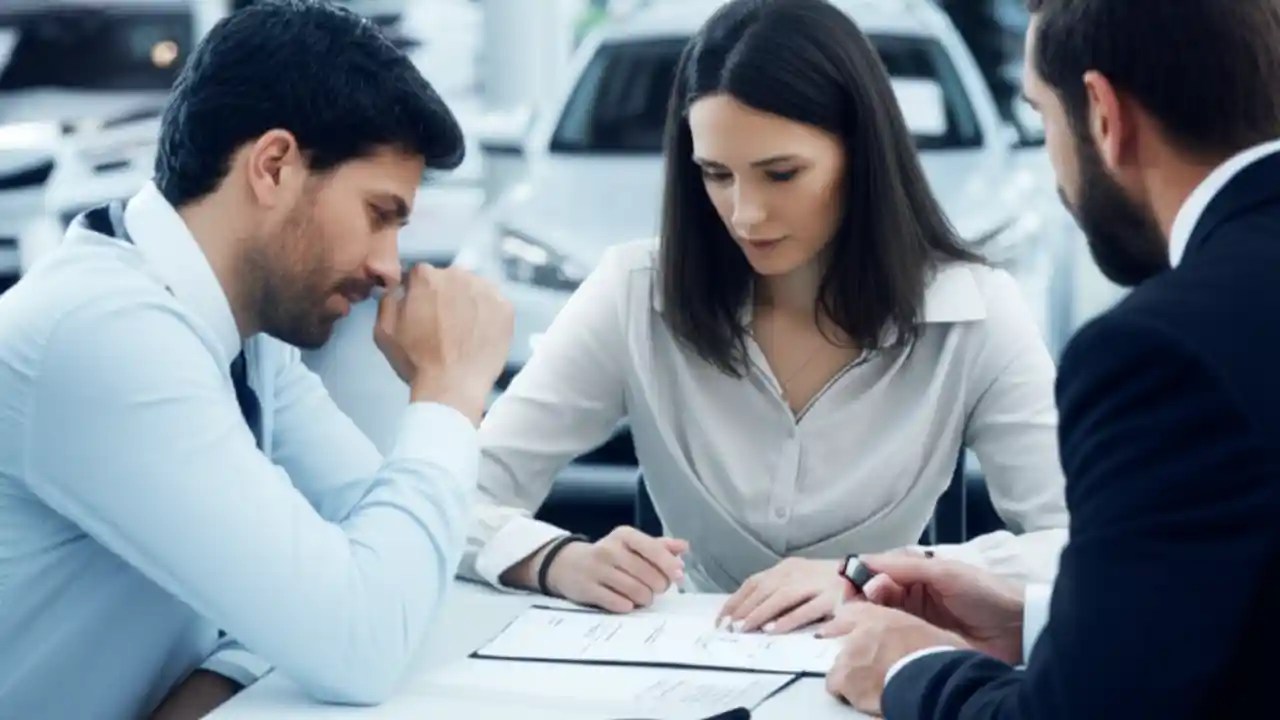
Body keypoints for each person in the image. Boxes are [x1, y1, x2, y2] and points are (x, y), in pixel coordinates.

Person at [459, 0, 1068, 631]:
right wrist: (555, 558)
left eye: (781, 174)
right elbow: (452, 499)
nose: (745, 213)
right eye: (716, 174)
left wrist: (867, 575)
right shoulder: (633, 293)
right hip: (685, 669)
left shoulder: (976, 311)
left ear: (862, 158)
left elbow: (1081, 539)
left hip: (873, 669)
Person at [0, 2, 512, 719]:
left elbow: (369, 522)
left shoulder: (230, 330)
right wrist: (450, 391)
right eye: (379, 213)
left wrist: (231, 665)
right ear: (273, 167)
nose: (390, 267)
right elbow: (358, 638)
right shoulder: (104, 335)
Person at [820, 0, 1280, 716]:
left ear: (1101, 112)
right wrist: (1040, 621)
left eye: (1042, 119)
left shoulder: (1160, 354)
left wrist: (910, 667)